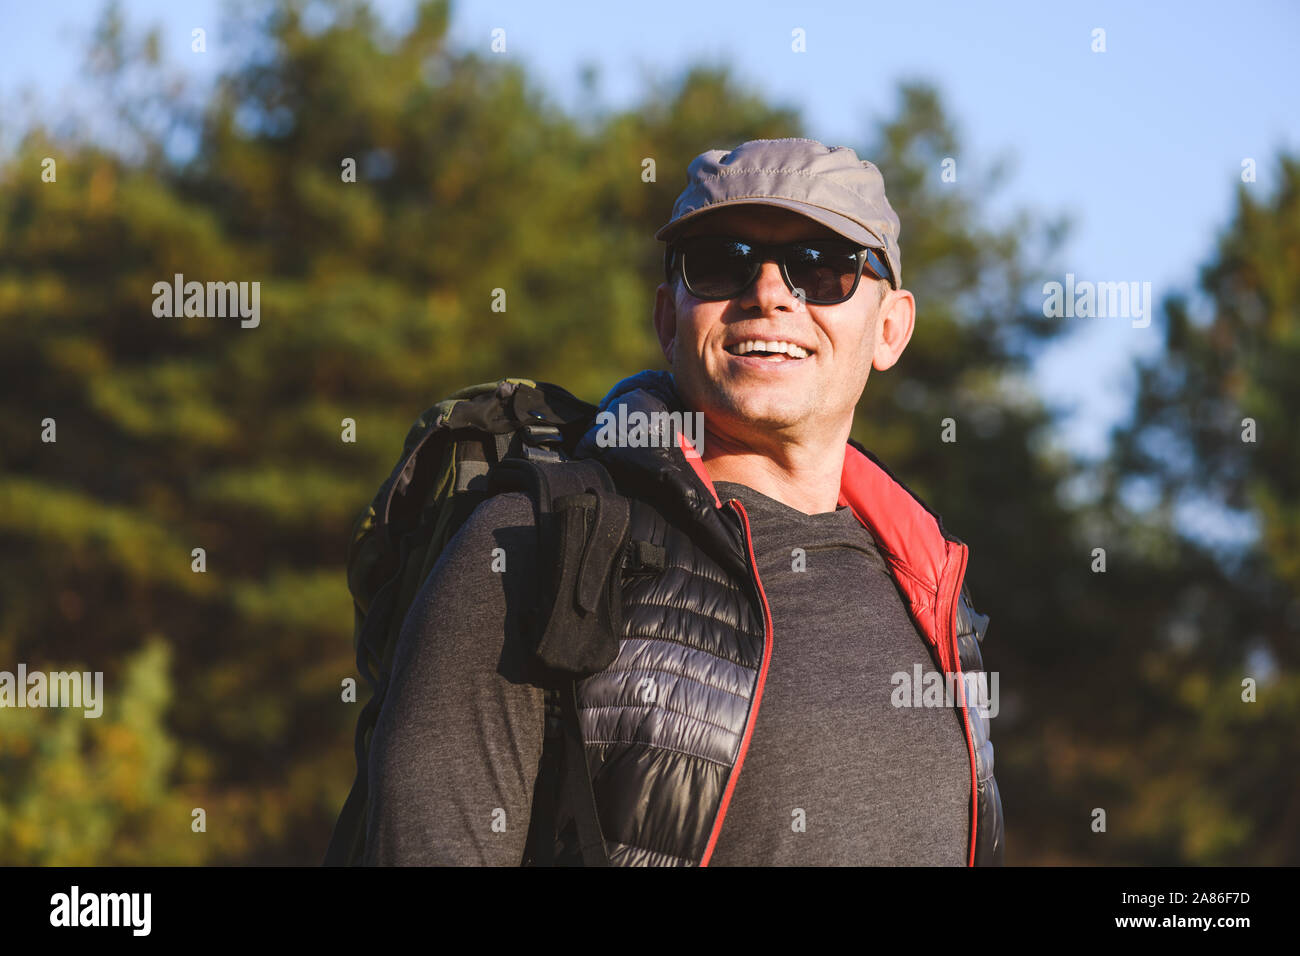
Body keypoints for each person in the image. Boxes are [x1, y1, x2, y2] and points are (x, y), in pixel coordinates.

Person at [363, 137, 1004, 866]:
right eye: (721, 263)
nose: (769, 294)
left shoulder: (934, 594)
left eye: (821, 268)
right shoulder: (534, 546)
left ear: (891, 328)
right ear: (669, 321)